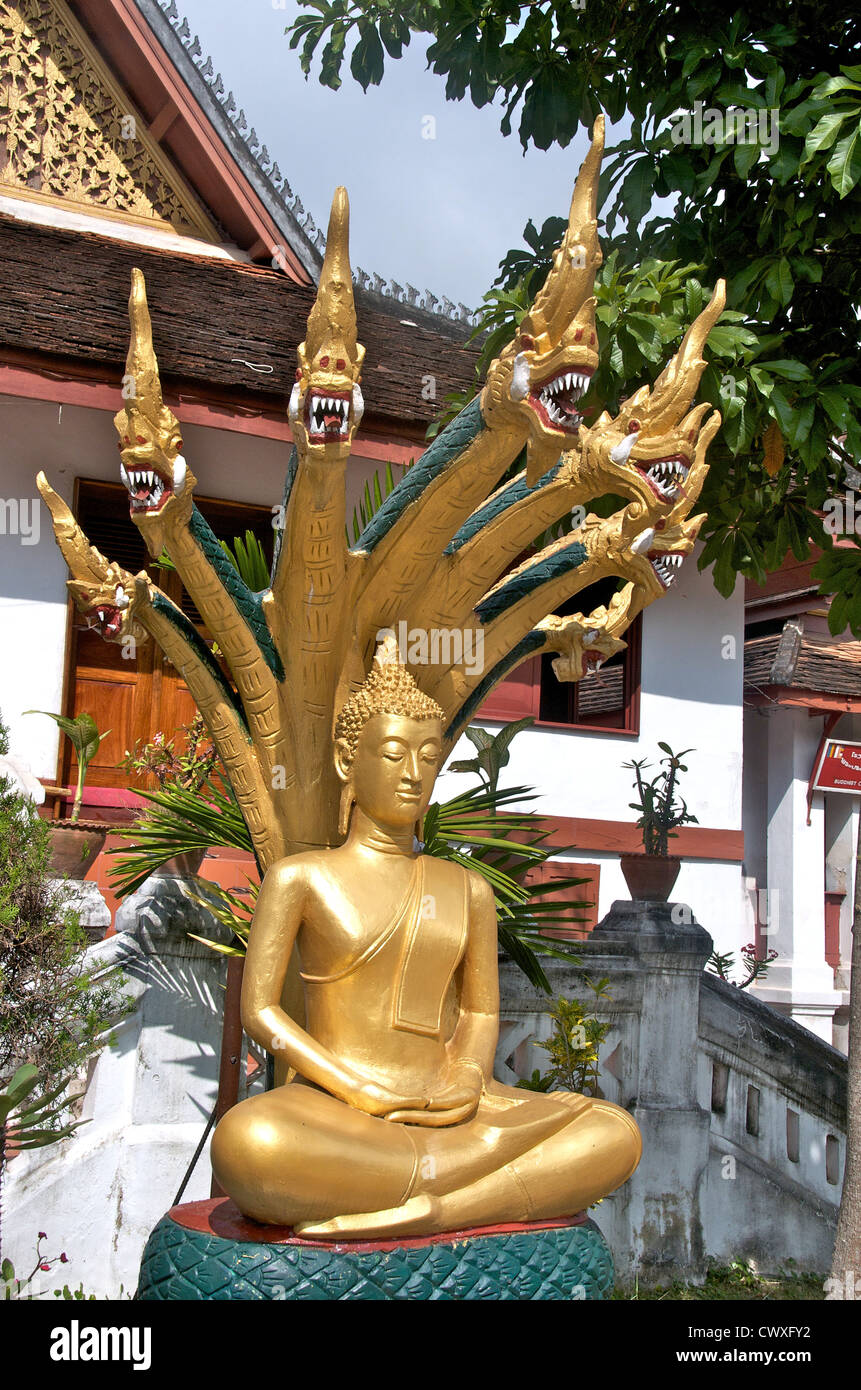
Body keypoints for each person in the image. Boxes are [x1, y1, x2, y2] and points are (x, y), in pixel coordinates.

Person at [211, 647, 641, 1236]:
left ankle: (441, 1207)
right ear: (346, 760)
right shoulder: (302, 877)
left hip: (455, 1107)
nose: (414, 773)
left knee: (612, 1132)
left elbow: (481, 1010)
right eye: (393, 754)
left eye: (430, 757)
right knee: (251, 1143)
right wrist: (355, 1087)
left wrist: (466, 1078)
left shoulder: (465, 889)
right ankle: (465, 1180)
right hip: (339, 1106)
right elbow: (260, 1010)